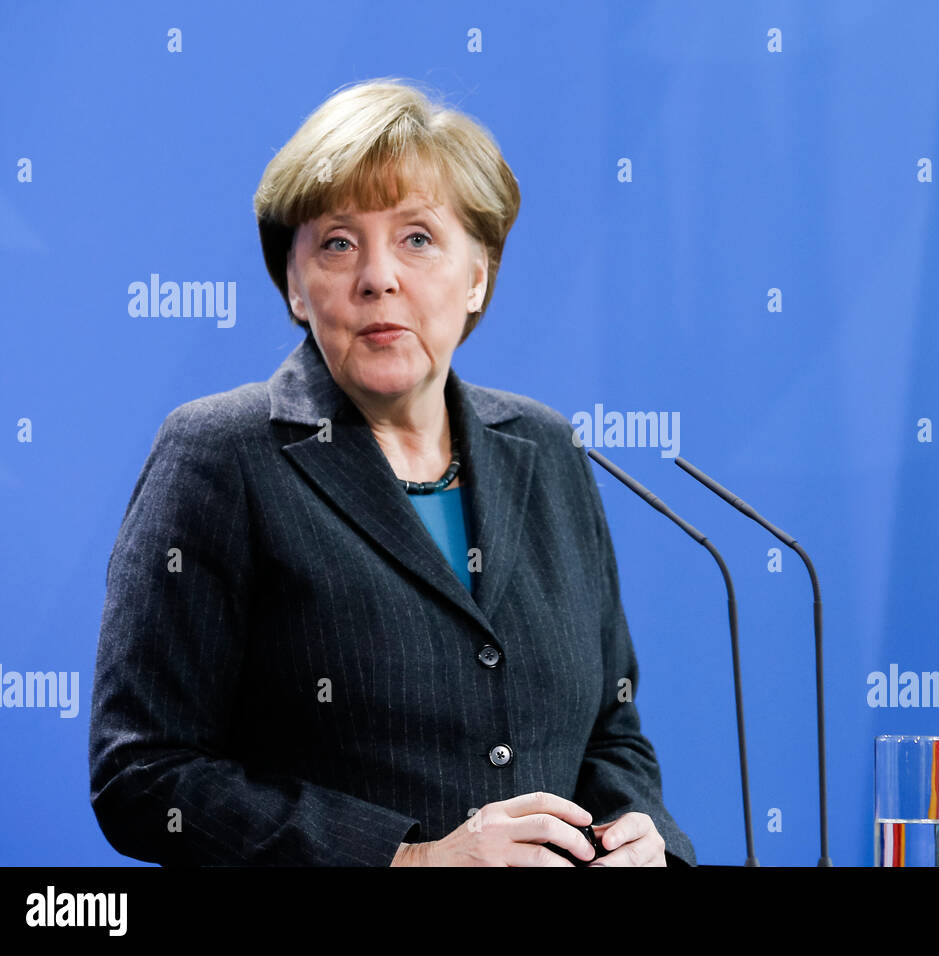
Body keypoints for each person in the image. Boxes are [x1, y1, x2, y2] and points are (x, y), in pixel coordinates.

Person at [88, 77, 696, 867]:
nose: (379, 277)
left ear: (476, 274)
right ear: (295, 287)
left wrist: (641, 833)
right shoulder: (220, 454)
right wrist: (409, 862)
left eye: (418, 238)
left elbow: (610, 733)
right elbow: (141, 776)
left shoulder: (546, 449)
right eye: (338, 243)